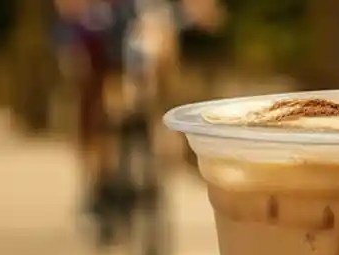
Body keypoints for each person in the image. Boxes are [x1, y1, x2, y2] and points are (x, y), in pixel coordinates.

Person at [53, 0, 221, 220]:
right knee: (88, 81)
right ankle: (95, 171)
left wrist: (201, 10)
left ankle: (165, 121)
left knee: (161, 39)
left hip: (143, 31)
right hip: (102, 29)